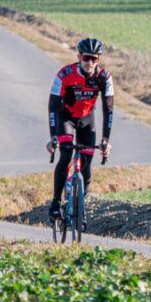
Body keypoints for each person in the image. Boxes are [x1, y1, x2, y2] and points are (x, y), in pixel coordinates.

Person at [46, 37, 113, 224]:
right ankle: (55, 202)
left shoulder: (104, 77)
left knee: (86, 167)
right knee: (66, 154)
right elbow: (53, 107)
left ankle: (80, 207)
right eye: (86, 58)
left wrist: (106, 139)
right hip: (65, 117)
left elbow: (108, 110)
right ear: (79, 56)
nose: (90, 62)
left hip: (86, 120)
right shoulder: (65, 74)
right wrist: (53, 137)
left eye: (94, 59)